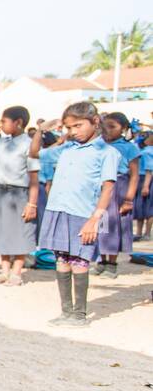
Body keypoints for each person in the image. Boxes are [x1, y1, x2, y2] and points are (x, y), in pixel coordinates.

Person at [38, 103, 117, 327]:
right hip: (58, 210)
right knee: (61, 259)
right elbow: (36, 154)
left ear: (95, 122)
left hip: (84, 214)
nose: (73, 131)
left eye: (78, 125)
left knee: (80, 260)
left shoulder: (107, 152)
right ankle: (66, 311)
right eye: (69, 127)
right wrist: (42, 130)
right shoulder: (66, 149)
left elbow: (108, 188)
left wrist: (95, 219)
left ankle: (80, 314)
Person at [0, 106, 39, 285]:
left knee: (19, 232)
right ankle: (4, 271)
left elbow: (34, 178)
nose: (1, 124)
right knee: (1, 231)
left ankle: (16, 273)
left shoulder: (28, 144)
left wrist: (32, 203)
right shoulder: (2, 143)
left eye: (4, 121)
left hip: (18, 192)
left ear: (18, 122)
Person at [95, 111, 141, 277]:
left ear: (123, 129)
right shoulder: (98, 145)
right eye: (105, 126)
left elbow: (134, 175)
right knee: (100, 224)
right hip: (100, 188)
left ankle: (112, 263)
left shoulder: (130, 148)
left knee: (114, 226)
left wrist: (128, 199)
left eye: (112, 126)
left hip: (119, 189)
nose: (108, 130)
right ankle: (101, 260)